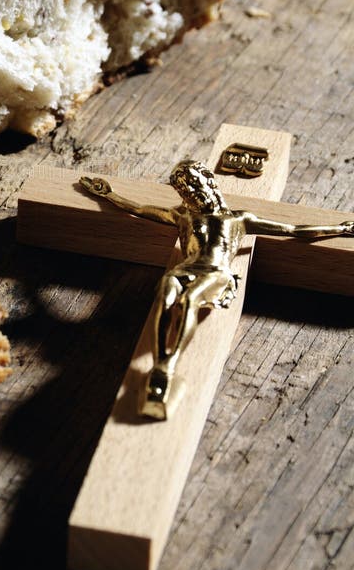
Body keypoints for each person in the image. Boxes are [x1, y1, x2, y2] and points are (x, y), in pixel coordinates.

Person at [80, 160, 354, 420]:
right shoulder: (182, 215)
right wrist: (109, 195)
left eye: (193, 185)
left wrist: (340, 228)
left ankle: (168, 365)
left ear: (209, 182)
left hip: (216, 273)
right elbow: (139, 209)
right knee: (166, 288)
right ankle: (160, 361)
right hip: (187, 268)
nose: (191, 193)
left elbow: (293, 229)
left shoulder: (239, 219)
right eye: (184, 190)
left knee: (189, 300)